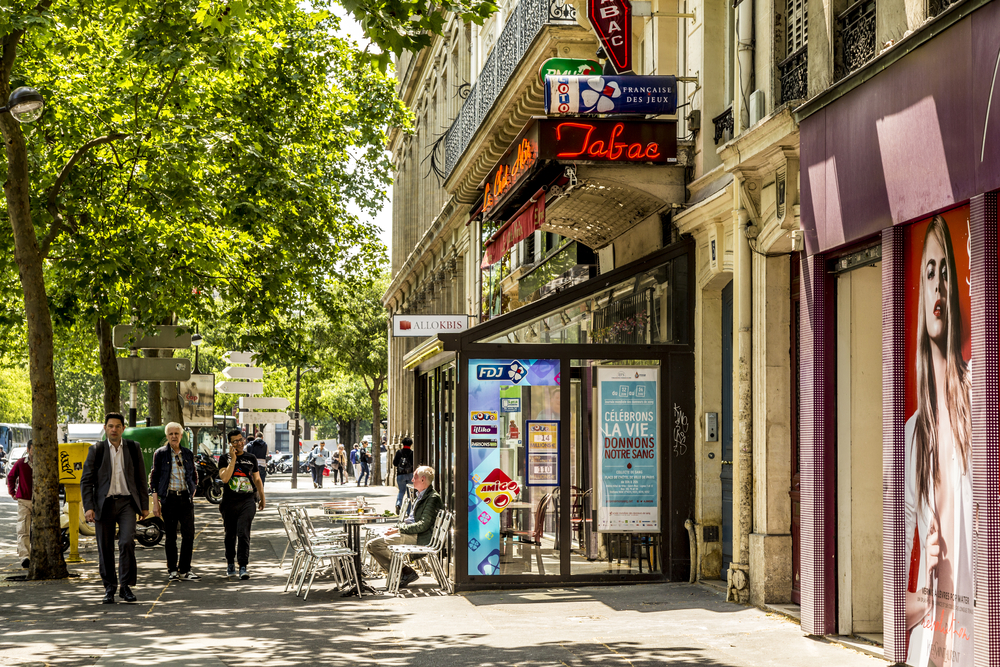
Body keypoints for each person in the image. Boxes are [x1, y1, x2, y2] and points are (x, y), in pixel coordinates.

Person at [905, 215, 974, 667]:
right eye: (930, 273)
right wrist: (919, 596)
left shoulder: (981, 406)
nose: (939, 285)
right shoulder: (914, 434)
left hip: (976, 637)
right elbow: (900, 603)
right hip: (930, 644)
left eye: (947, 270)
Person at [81, 413, 150, 604]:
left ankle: (125, 586)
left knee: (127, 542)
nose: (114, 429)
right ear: (105, 428)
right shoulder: (97, 449)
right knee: (105, 547)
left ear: (123, 428)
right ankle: (109, 588)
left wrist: (144, 506)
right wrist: (89, 507)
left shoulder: (133, 448)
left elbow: (141, 478)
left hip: (127, 503)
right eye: (110, 426)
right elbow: (86, 481)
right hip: (104, 505)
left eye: (118, 426)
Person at [365, 466, 443, 588]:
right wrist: (397, 527)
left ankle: (405, 572)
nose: (412, 480)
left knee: (375, 544)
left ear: (423, 479)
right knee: (371, 545)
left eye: (415, 477)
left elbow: (423, 525)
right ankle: (403, 572)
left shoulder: (432, 498)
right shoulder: (421, 495)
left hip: (421, 537)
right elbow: (411, 520)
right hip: (412, 533)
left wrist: (399, 529)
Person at [149, 422, 199, 581]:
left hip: (185, 498)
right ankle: (172, 570)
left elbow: (194, 476)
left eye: (176, 434)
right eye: (170, 434)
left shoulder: (187, 453)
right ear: (167, 436)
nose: (174, 436)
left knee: (189, 535)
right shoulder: (160, 454)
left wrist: (192, 491)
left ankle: (185, 569)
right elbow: (154, 479)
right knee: (170, 536)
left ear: (181, 435)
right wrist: (156, 503)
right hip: (168, 499)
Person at [218, 429, 266, 579]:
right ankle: (230, 563)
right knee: (230, 535)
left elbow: (257, 479)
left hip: (247, 500)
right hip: (229, 503)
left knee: (243, 532)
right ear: (230, 444)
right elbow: (225, 478)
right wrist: (232, 459)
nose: (239, 443)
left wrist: (262, 497)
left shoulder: (251, 458)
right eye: (235, 441)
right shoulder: (223, 458)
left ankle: (243, 566)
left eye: (241, 439)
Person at [6, 439, 32, 569]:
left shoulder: (44, 463)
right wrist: (12, 492)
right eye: (33, 449)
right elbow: (10, 477)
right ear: (28, 450)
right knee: (23, 529)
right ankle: (25, 556)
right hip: (24, 501)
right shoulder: (21, 463)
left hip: (40, 501)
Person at [392, 437, 415, 514]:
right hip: (410, 475)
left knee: (401, 491)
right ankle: (408, 511)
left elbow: (395, 463)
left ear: (402, 444)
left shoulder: (399, 452)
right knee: (410, 494)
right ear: (411, 444)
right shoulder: (412, 453)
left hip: (400, 475)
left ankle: (398, 504)